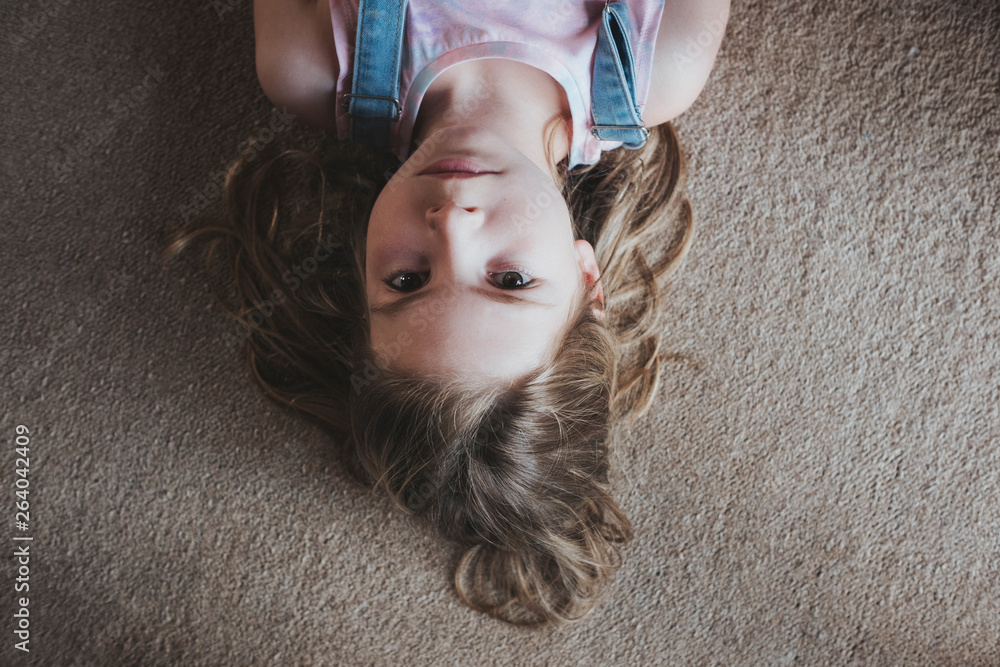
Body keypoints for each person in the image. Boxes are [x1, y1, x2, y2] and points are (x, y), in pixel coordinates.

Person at [171, 0, 727, 625]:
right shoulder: (656, 64)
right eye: (510, 279)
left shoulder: (311, 65)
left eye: (407, 279)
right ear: (587, 278)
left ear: (360, 278)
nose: (453, 223)